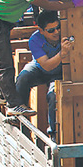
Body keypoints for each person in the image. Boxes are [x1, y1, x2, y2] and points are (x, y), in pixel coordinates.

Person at [15, 10, 69, 138]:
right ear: (41, 30)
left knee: (53, 96)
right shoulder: (34, 40)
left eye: (58, 28)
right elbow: (46, 65)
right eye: (51, 30)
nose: (56, 32)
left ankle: (53, 134)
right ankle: (18, 113)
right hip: (41, 69)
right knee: (23, 77)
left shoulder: (66, 33)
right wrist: (62, 54)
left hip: (60, 72)